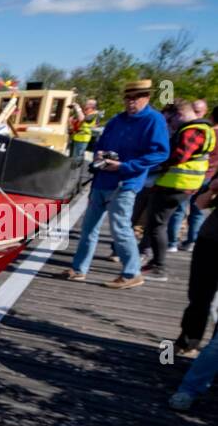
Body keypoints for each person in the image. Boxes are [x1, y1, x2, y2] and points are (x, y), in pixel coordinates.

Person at [66, 79, 170, 289]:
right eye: (128, 97)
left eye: (136, 97)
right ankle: (79, 269)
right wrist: (100, 156)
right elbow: (100, 145)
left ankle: (132, 272)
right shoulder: (116, 120)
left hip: (125, 182)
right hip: (102, 180)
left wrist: (125, 166)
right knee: (88, 228)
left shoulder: (154, 120)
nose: (131, 102)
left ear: (147, 98)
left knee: (120, 228)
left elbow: (160, 153)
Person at [140, 100, 214, 279]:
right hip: (185, 183)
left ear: (179, 114)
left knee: (157, 225)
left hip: (175, 184)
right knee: (158, 223)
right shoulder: (207, 130)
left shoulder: (192, 130)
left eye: (171, 120)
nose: (170, 124)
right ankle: (155, 262)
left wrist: (154, 163)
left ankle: (159, 266)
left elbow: (178, 156)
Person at [176, 178, 218, 357]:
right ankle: (187, 341)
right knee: (198, 294)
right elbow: (200, 204)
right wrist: (212, 188)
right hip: (210, 240)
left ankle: (213, 352)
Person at [171, 100, 214, 251]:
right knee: (180, 210)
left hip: (203, 177)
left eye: (199, 112)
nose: (195, 114)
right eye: (194, 110)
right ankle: (173, 241)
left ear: (206, 112)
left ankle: (191, 240)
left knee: (195, 211)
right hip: (193, 176)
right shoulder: (206, 130)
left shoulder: (200, 130)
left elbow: (181, 155)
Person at [68, 98, 99, 162]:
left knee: (77, 159)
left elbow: (82, 119)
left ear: (92, 106)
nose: (85, 104)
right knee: (72, 158)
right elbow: (74, 120)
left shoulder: (93, 114)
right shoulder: (85, 113)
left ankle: (76, 171)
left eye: (87, 103)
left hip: (83, 138)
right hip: (76, 137)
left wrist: (78, 108)